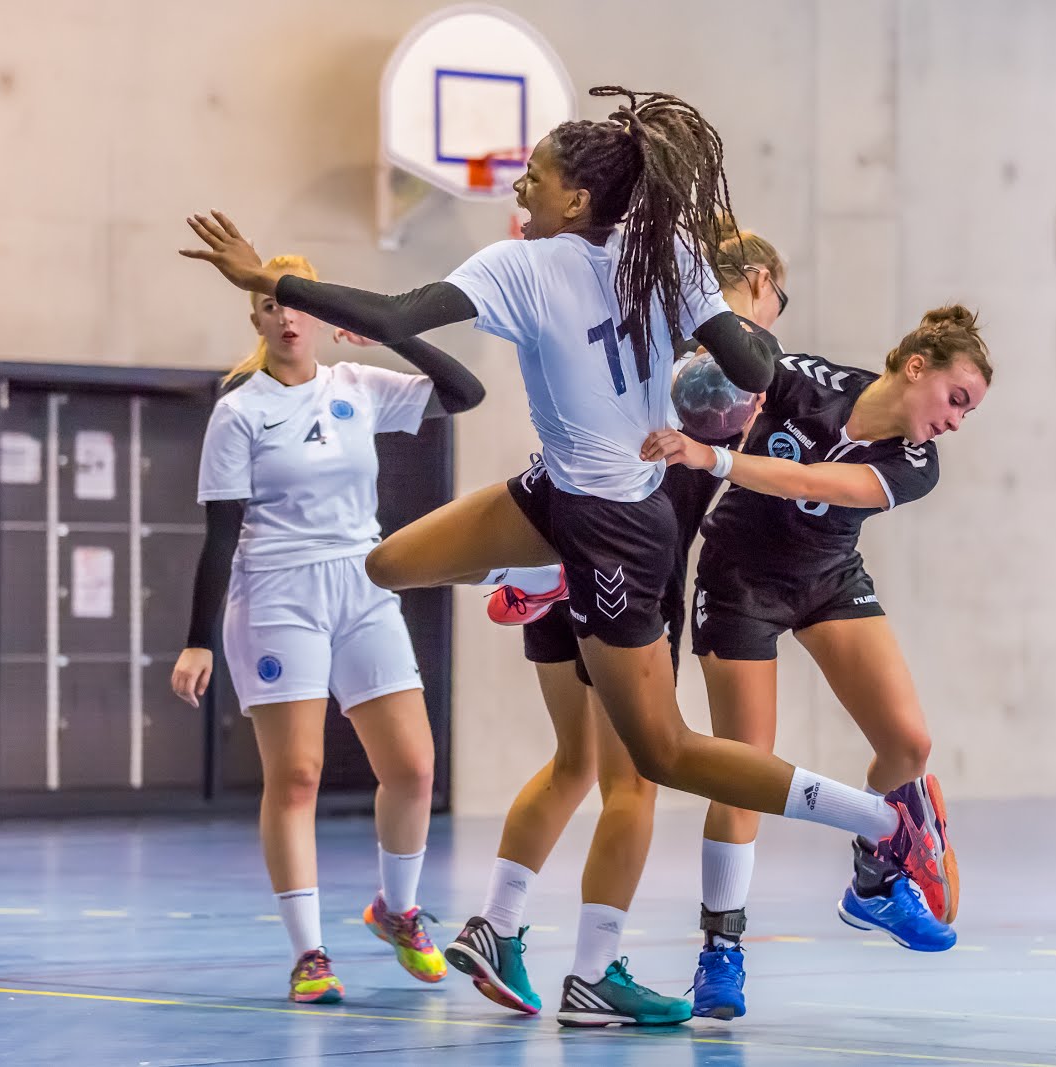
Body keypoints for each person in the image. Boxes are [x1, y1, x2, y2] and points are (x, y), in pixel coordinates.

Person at [177, 88, 958, 1002]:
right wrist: (724, 321)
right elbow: (752, 368)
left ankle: (876, 821)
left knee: (659, 753)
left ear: (577, 199)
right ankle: (540, 578)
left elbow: (395, 315)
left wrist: (262, 279)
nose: (522, 185)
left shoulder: (532, 265)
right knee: (386, 563)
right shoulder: (645, 255)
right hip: (551, 491)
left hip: (618, 526)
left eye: (535, 175)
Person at [444, 233, 790, 1027]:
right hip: (630, 570)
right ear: (760, 283)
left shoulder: (637, 322)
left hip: (563, 535)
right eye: (773, 310)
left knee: (575, 762)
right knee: (635, 777)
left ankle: (496, 922)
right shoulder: (721, 352)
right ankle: (594, 973)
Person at [640, 305, 991, 1020]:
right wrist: (712, 396)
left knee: (909, 744)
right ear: (916, 367)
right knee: (744, 767)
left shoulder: (915, 464)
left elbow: (818, 487)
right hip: (740, 578)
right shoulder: (802, 381)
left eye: (969, 412)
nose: (957, 420)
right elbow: (722, 387)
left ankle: (870, 883)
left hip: (829, 579)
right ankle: (721, 949)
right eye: (957, 399)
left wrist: (719, 459)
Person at [168, 254, 485, 1004]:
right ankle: (310, 953)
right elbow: (221, 533)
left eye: (294, 302)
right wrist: (197, 637)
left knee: (413, 766)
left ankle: (397, 909)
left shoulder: (357, 388)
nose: (285, 316)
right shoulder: (239, 410)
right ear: (255, 318)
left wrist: (388, 328)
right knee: (298, 773)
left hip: (363, 582)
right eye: (269, 305)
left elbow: (464, 393)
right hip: (277, 593)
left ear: (314, 309)